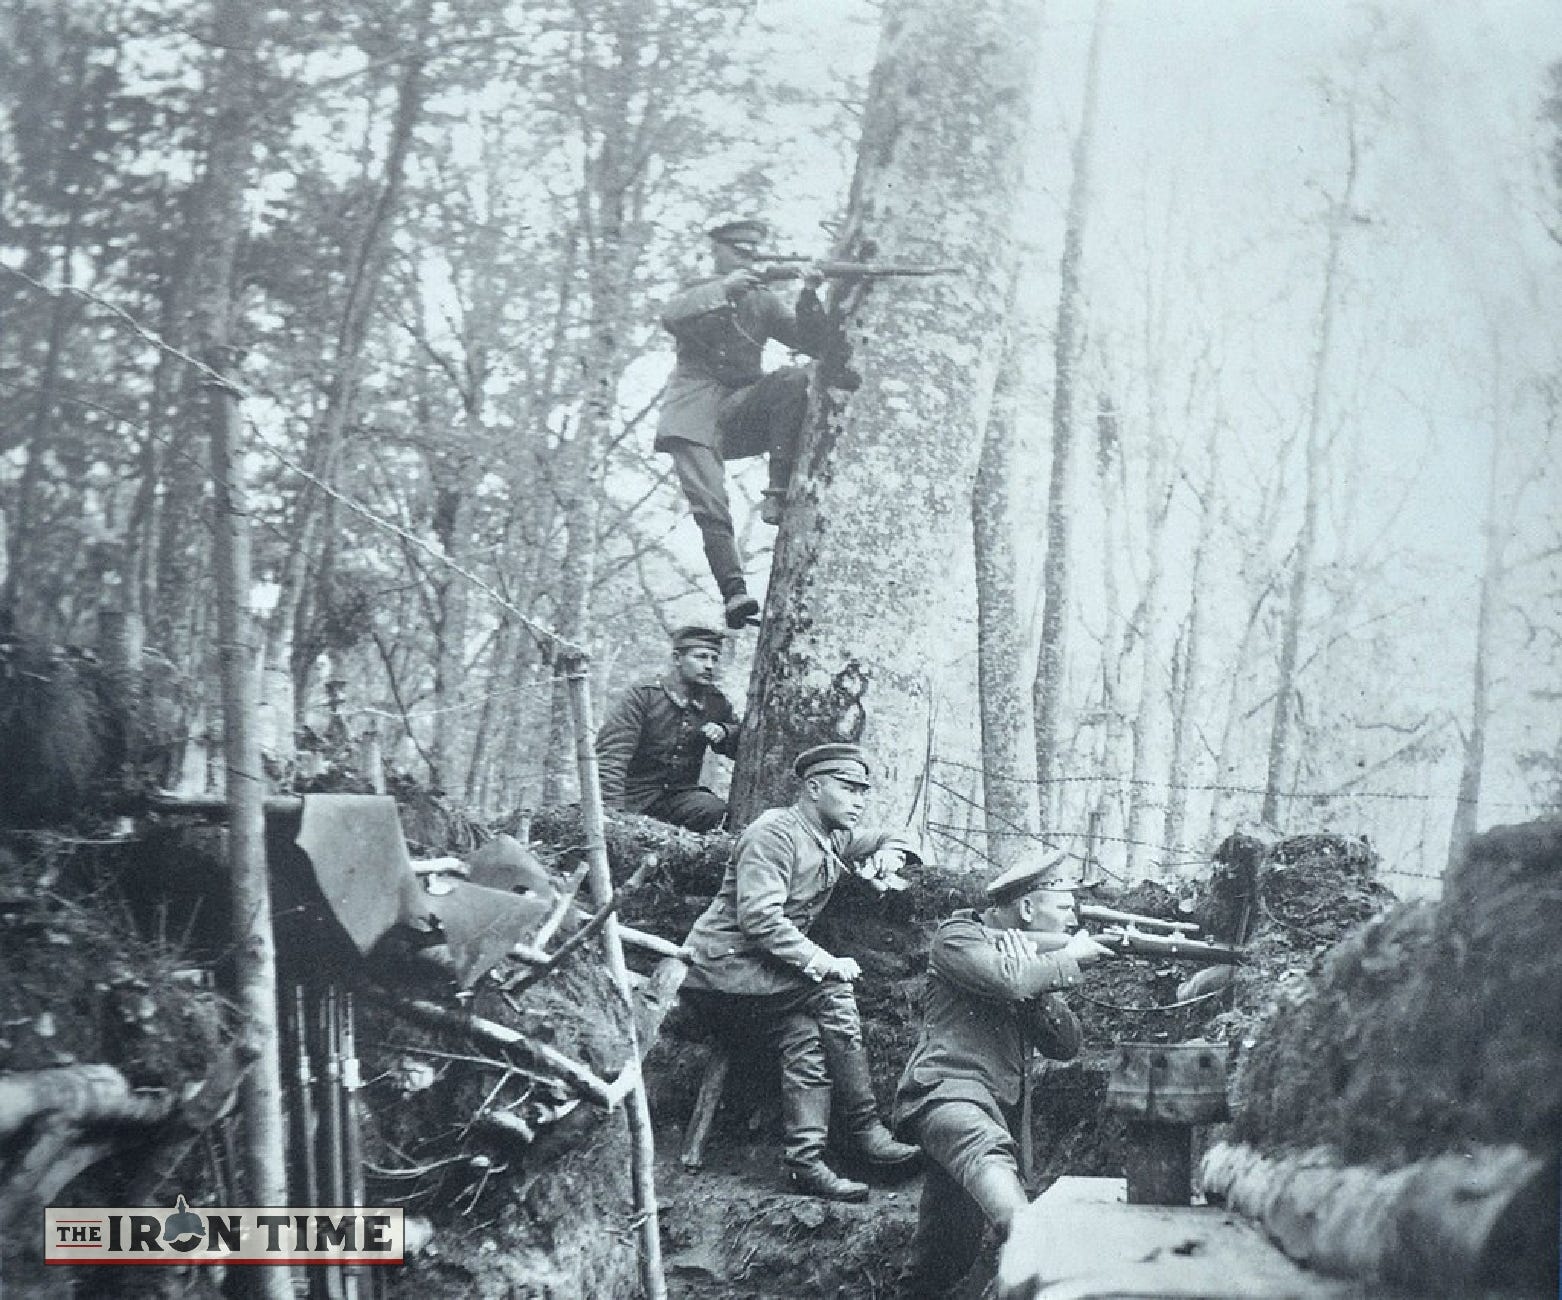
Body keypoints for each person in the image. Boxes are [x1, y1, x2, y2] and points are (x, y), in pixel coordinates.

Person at [680, 743, 923, 1200]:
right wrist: (824, 962)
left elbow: (899, 835)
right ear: (813, 788)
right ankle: (866, 1129)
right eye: (848, 789)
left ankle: (807, 1162)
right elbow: (760, 919)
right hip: (718, 973)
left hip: (762, 982)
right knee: (831, 993)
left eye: (862, 791)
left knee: (804, 1035)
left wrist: (893, 855)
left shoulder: (831, 836)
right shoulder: (773, 834)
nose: (858, 800)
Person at [892, 851, 1112, 1297]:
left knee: (943, 1257)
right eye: (1065, 907)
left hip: (991, 1111)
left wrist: (1039, 988)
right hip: (948, 1099)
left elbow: (1066, 1045)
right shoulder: (958, 936)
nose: (1074, 921)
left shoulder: (1027, 966)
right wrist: (1066, 961)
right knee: (1019, 1223)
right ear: (1028, 908)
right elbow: (1004, 979)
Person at [654, 217, 849, 630]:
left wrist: (810, 292)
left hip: (739, 409)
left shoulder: (762, 301)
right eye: (737, 252)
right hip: (693, 412)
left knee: (794, 380)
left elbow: (811, 345)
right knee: (710, 504)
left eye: (750, 253)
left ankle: (776, 490)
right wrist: (725, 290)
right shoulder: (701, 290)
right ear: (719, 252)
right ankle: (734, 592)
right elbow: (671, 315)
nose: (744, 259)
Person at [595, 625, 739, 831]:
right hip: (632, 797)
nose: (709, 666)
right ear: (677, 658)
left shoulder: (715, 703)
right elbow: (611, 757)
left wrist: (725, 732)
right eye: (701, 657)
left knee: (716, 812)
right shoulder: (644, 696)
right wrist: (613, 812)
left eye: (714, 659)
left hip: (678, 799)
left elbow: (743, 746)